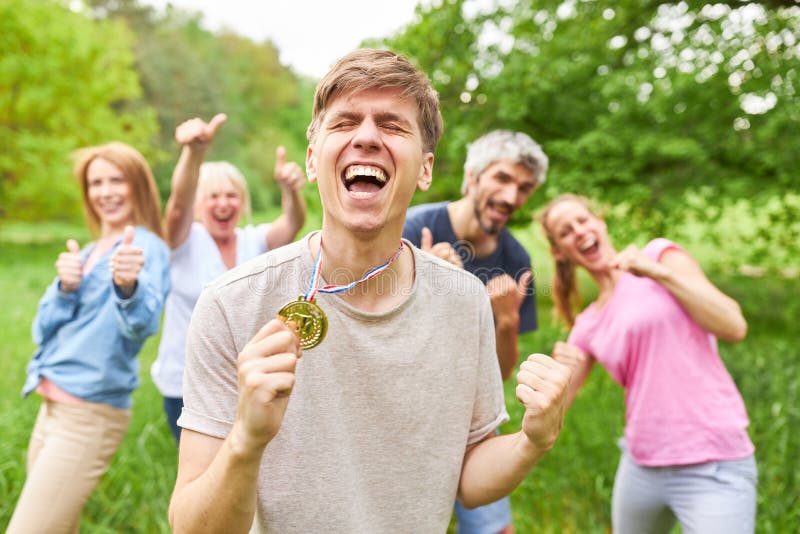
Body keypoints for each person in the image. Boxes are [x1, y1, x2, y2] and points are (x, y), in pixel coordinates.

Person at [168, 48, 571, 534]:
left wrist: (531, 441)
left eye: (392, 125)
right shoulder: (231, 303)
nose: (366, 137)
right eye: (344, 122)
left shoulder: (466, 301)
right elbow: (192, 527)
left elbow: (468, 477)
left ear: (425, 169)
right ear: (312, 160)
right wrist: (246, 441)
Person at [539, 194, 757, 534]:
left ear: (600, 222)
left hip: (713, 459)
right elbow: (552, 412)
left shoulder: (659, 256)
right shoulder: (588, 324)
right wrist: (550, 375)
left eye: (583, 220)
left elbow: (734, 326)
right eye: (565, 232)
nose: (579, 231)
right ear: (559, 252)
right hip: (641, 465)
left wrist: (656, 274)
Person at [8, 142, 171, 533]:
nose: (105, 191)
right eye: (96, 183)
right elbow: (42, 330)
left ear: (138, 185)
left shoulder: (146, 248)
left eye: (117, 180)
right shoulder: (87, 251)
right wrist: (64, 288)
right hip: (51, 407)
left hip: (88, 415)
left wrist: (128, 286)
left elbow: (141, 327)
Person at [403, 129, 548, 534]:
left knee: (495, 529)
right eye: (502, 178)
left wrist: (507, 322)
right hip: (403, 409)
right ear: (472, 176)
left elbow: (500, 374)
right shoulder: (414, 230)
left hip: (469, 415)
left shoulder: (516, 259)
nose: (511, 196)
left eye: (524, 187)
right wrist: (419, 280)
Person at [150, 113, 307, 442]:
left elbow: (292, 223)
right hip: (186, 384)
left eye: (231, 195)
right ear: (198, 205)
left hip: (246, 380)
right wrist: (194, 153)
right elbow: (176, 208)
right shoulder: (183, 242)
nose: (223, 203)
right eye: (213, 196)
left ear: (243, 202)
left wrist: (290, 191)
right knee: (204, 468)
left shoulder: (254, 241)